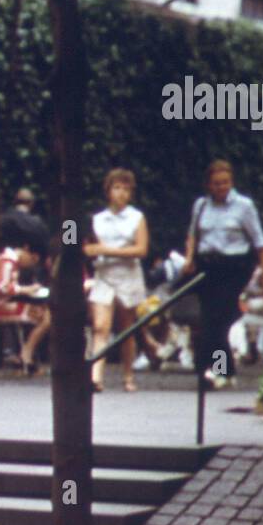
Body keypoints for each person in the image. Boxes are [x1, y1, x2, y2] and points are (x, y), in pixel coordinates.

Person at [181, 159, 263, 390]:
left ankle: (210, 369)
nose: (221, 187)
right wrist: (189, 258)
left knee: (217, 319)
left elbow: (259, 240)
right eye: (216, 183)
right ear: (208, 185)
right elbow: (193, 234)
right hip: (207, 266)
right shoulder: (201, 205)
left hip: (233, 267)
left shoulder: (244, 206)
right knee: (211, 319)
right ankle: (223, 370)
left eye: (225, 182)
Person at [83, 168, 149, 393]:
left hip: (128, 276)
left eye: (125, 189)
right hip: (104, 275)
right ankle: (95, 376)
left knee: (126, 330)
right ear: (108, 191)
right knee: (100, 327)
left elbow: (141, 249)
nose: (121, 193)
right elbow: (88, 246)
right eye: (116, 188)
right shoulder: (98, 219)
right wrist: (92, 250)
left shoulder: (136, 217)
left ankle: (128, 375)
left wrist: (107, 250)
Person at [0, 230, 50, 374]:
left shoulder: (8, 260)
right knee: (45, 317)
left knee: (43, 312)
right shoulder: (7, 261)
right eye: (32, 259)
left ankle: (27, 352)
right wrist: (26, 290)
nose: (30, 264)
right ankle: (26, 353)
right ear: (26, 250)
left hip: (0, 303)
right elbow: (2, 287)